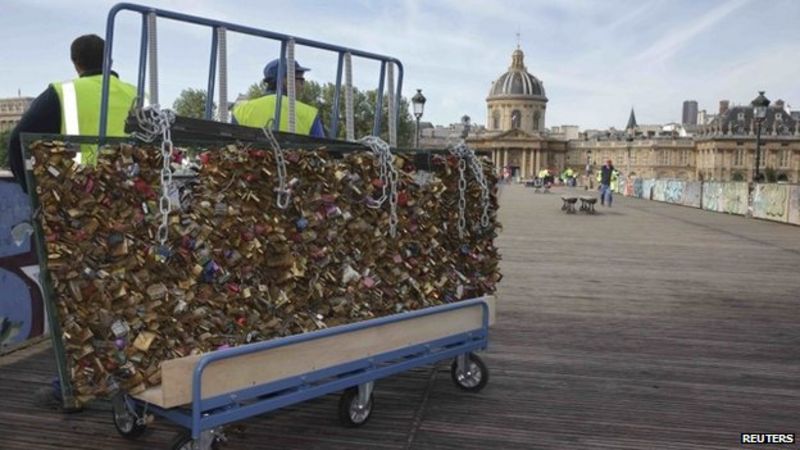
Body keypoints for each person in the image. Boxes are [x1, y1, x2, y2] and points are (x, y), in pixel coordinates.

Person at [8, 34, 137, 193]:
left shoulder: (61, 93)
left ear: (76, 64)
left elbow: (17, 140)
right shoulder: (138, 94)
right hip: (132, 195)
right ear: (109, 61)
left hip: (79, 197)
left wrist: (31, 189)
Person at [232, 59, 325, 137]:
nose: (303, 87)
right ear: (286, 80)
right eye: (301, 80)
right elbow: (322, 151)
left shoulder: (241, 111)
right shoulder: (309, 114)